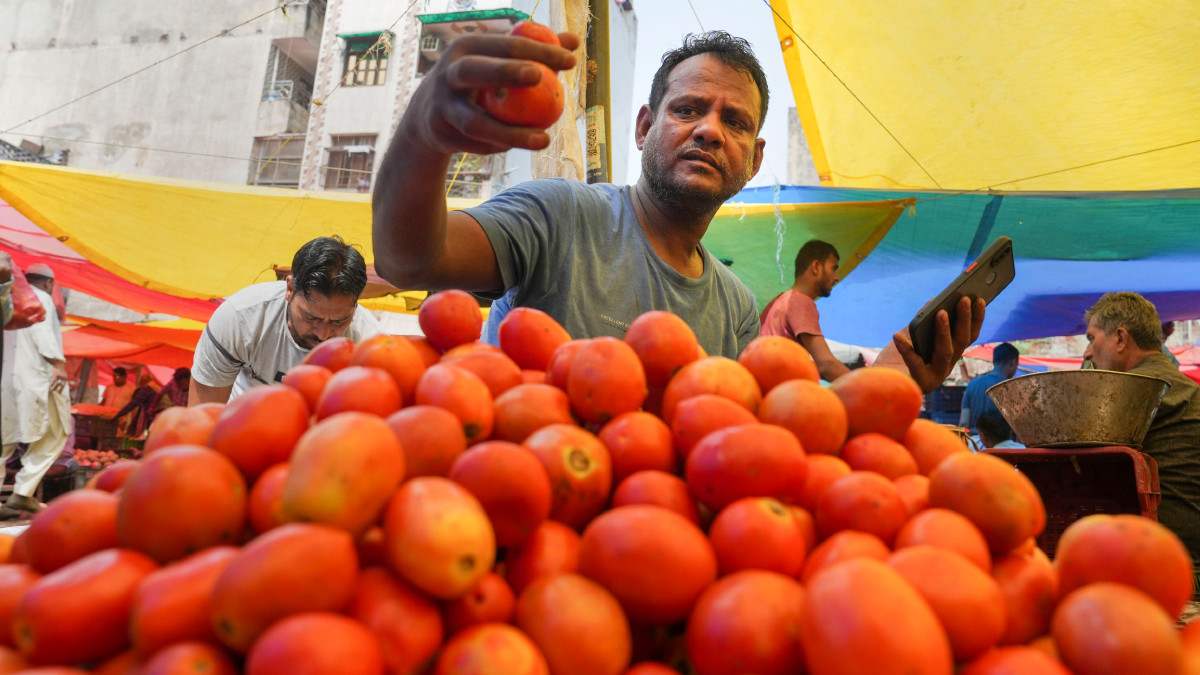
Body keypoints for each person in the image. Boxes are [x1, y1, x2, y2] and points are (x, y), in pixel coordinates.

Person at [371, 30, 983, 392]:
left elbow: (760, 438)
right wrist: (426, 134)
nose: (710, 131)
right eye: (688, 109)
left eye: (735, 121)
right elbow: (408, 258)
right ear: (644, 127)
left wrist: (888, 384)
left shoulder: (736, 306)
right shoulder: (559, 215)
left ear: (754, 157)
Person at [1083, 292, 1200, 590]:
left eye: (1091, 338)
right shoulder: (1187, 388)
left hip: (1167, 572)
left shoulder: (1131, 391)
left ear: (1120, 338)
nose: (1087, 353)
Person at [190, 236, 381, 404]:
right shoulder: (240, 319)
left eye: (338, 321)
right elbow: (203, 416)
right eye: (311, 317)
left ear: (355, 305)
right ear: (289, 289)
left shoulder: (369, 345)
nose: (323, 334)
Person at [0, 263, 71, 516]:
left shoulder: (6, 299)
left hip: (6, 380)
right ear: (50, 284)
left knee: (3, 441)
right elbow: (44, 337)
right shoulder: (40, 297)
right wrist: (59, 365)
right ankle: (22, 492)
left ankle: (18, 494)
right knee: (57, 432)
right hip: (37, 378)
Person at [759, 239, 851, 381]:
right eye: (833, 268)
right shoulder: (800, 302)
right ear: (816, 267)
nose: (836, 277)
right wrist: (866, 387)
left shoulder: (780, 300)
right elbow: (826, 364)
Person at [960, 342, 1020, 433]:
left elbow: (964, 423)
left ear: (994, 361)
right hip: (1003, 445)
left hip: (974, 443)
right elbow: (1018, 426)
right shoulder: (1012, 388)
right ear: (1013, 362)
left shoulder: (972, 384)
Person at [112, 373, 160, 438]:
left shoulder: (146, 389)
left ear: (143, 382)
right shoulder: (157, 388)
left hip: (151, 417)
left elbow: (133, 404)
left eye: (141, 381)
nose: (140, 383)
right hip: (158, 417)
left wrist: (117, 415)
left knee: (141, 435)